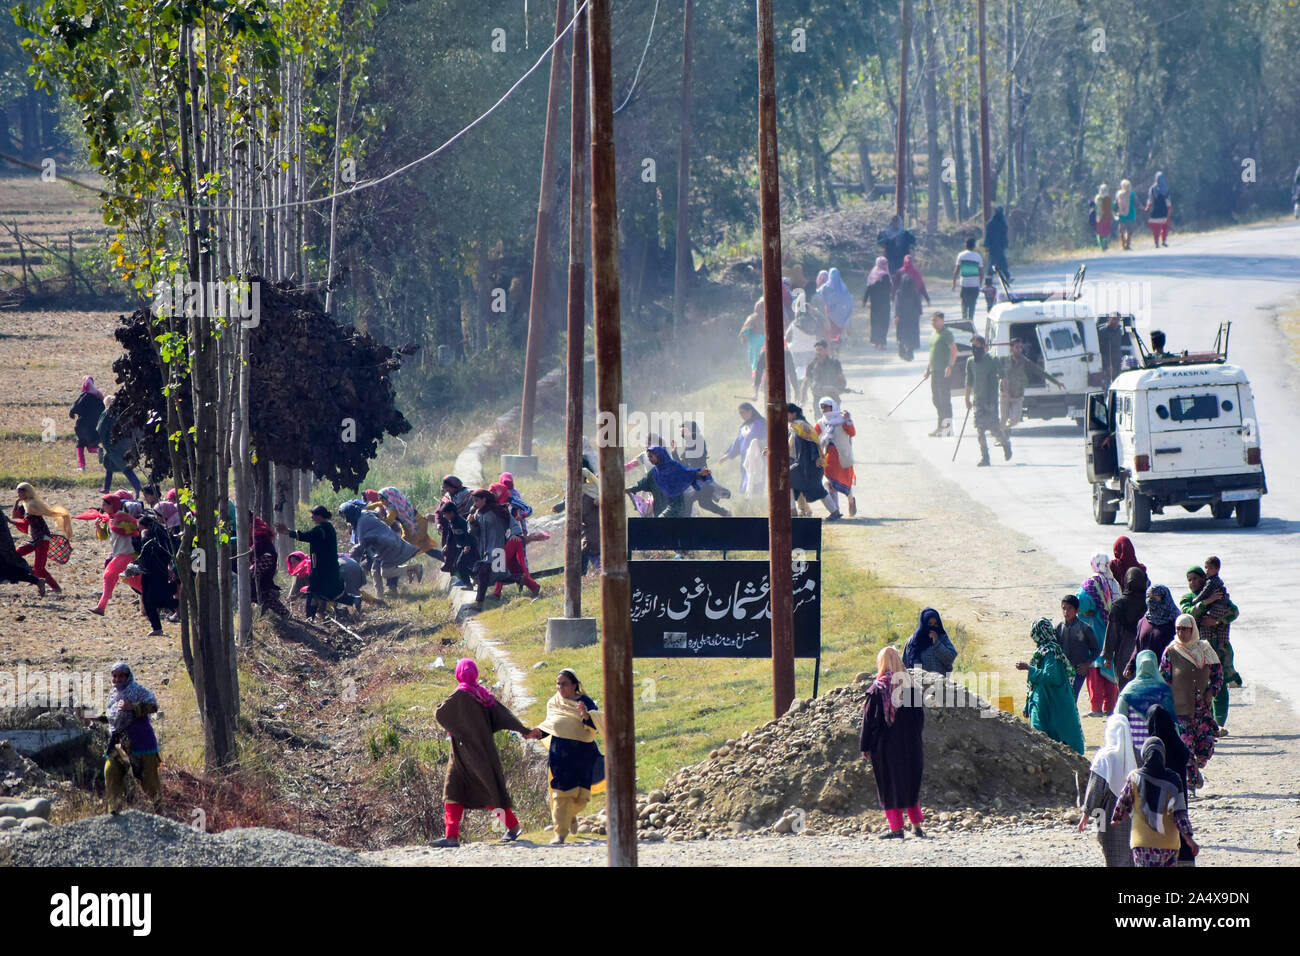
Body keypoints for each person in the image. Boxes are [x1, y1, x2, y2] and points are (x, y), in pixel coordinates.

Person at [433, 658, 538, 847]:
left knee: (468, 791)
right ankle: (451, 837)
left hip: (466, 752)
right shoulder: (483, 695)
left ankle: (513, 827)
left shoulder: (460, 695)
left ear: (458, 674)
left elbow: (440, 714)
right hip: (478, 753)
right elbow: (504, 716)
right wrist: (524, 730)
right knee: (456, 791)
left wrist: (458, 730)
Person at [859, 645, 925, 839]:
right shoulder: (912, 687)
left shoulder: (878, 689)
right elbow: (920, 719)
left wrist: (865, 745)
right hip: (911, 746)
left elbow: (869, 721)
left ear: (882, 663)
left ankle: (896, 828)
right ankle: (917, 826)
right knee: (910, 784)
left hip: (886, 747)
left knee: (889, 786)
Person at [535, 668, 605, 844]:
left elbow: (596, 723)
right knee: (560, 794)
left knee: (581, 797)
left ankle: (571, 815)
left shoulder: (585, 701)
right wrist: (535, 733)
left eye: (564, 684)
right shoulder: (554, 702)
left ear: (575, 685)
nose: (560, 687)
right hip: (560, 754)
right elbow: (550, 725)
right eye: (558, 684)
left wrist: (585, 715)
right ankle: (560, 834)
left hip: (583, 755)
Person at [1110, 737, 1198, 867]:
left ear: (1144, 755)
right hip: (1169, 845)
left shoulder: (1135, 777)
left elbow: (1123, 801)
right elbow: (1180, 814)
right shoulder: (1174, 779)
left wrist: (1117, 818)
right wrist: (1189, 839)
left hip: (1143, 844)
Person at [1160, 614, 1222, 792]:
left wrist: (1212, 691)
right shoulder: (1171, 651)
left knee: (1206, 747)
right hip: (1180, 710)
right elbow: (1164, 678)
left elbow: (1218, 674)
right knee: (1185, 746)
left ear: (1193, 629)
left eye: (1185, 629)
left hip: (1202, 709)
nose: (1181, 632)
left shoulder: (1205, 649)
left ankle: (1195, 769)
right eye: (1178, 629)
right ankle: (1192, 779)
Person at [1181, 560, 1239, 731]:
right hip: (1198, 651)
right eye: (1189, 580)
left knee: (1219, 686)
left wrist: (1217, 620)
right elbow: (1187, 613)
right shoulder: (1188, 599)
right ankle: (1207, 723)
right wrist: (1206, 603)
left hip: (1219, 648)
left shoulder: (1216, 592)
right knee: (1201, 688)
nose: (1192, 583)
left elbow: (1234, 611)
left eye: (1195, 579)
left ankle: (1219, 723)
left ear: (1203, 580)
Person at [277, 505, 362, 620]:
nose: (312, 518)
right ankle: (353, 600)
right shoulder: (328, 527)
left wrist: (288, 532)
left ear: (319, 516)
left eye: (313, 515)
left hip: (322, 567)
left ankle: (310, 617)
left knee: (317, 591)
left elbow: (306, 536)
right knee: (327, 592)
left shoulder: (321, 529)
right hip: (327, 566)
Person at [1017, 618, 1086, 754]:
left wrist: (1028, 668)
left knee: (1048, 740)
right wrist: (1027, 705)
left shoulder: (1049, 652)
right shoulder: (1047, 650)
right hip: (1046, 700)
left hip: (1051, 702)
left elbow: (1051, 676)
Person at [103, 661, 162, 813]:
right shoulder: (113, 696)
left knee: (149, 782)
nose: (117, 680)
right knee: (111, 771)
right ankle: (114, 812)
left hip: (142, 743)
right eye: (114, 676)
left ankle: (159, 813)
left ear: (128, 677)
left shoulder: (138, 691)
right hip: (119, 743)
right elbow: (114, 718)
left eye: (120, 676)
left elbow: (153, 706)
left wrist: (134, 707)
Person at [1079, 714, 1137, 866]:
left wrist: (1087, 812)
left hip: (1108, 813)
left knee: (1113, 852)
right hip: (1134, 813)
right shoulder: (1135, 754)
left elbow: (1096, 787)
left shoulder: (1104, 756)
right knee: (1132, 852)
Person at [341, 499, 420, 596]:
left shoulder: (362, 521)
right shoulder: (364, 515)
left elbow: (361, 544)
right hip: (384, 545)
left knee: (386, 572)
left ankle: (414, 568)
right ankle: (380, 597)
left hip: (388, 545)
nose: (345, 520)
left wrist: (351, 555)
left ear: (350, 513)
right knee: (375, 570)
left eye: (344, 516)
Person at [1078, 553, 1120, 716]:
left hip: (1095, 631)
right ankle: (1110, 706)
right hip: (1111, 631)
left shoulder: (1091, 582)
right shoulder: (1113, 582)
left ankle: (1096, 708)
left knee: (1095, 668)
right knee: (1109, 667)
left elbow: (1081, 602)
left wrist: (1084, 610)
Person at [12, 482, 70, 595]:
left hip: (42, 539)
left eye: (21, 491)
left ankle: (56, 588)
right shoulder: (26, 504)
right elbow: (17, 516)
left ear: (27, 492)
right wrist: (16, 502)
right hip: (34, 539)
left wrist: (10, 522)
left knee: (40, 568)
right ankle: (33, 575)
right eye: (18, 491)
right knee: (16, 554)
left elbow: (24, 523)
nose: (18, 493)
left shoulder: (32, 505)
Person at [1115, 650, 1177, 754]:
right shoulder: (1164, 690)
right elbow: (1172, 720)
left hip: (1133, 747)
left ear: (1138, 665)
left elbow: (1119, 718)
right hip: (1158, 747)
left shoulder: (1129, 690)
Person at [627, 446, 712, 519]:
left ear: (659, 455)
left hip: (675, 506)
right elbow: (642, 483)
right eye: (648, 457)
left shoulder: (674, 467)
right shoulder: (653, 473)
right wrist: (628, 489)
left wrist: (699, 473)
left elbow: (687, 473)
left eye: (651, 456)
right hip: (660, 507)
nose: (650, 459)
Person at [964, 334, 1010, 466]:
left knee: (994, 429)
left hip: (991, 401)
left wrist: (1005, 393)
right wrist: (967, 399)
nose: (974, 349)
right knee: (980, 429)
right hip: (978, 401)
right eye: (973, 346)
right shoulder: (970, 362)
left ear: (984, 347)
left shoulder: (993, 360)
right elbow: (968, 382)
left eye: (977, 346)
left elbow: (1003, 377)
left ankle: (1005, 444)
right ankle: (985, 457)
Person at [999, 337, 1065, 431]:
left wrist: (1056, 382)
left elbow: (1039, 371)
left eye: (1020, 348)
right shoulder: (1003, 360)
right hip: (1005, 394)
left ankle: (1004, 429)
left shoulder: (1024, 361)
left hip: (1017, 395)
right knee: (1003, 418)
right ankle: (1001, 437)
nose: (1019, 350)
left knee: (1015, 420)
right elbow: (997, 373)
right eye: (1017, 347)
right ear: (1011, 348)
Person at [91, 493, 140, 617]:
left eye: (104, 504)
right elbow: (104, 537)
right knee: (133, 581)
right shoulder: (109, 519)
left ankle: (101, 607)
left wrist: (121, 525)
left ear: (112, 505)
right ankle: (157, 598)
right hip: (119, 553)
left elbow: (135, 529)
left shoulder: (123, 517)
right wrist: (98, 527)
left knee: (109, 575)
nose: (101, 507)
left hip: (128, 553)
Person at [1104, 566, 1150, 691]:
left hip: (1122, 654)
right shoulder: (1148, 605)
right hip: (1143, 654)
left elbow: (1112, 632)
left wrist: (1108, 655)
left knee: (1125, 691)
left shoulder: (1118, 605)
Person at [786, 403, 834, 518]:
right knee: (800, 486)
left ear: (794, 414)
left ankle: (794, 512)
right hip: (804, 464)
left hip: (808, 464)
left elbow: (810, 445)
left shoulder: (800, 426)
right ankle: (798, 512)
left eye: (786, 413)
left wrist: (811, 462)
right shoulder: (795, 426)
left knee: (787, 479)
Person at [675, 422, 730, 517]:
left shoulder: (698, 440)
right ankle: (725, 513)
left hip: (702, 479)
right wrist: (674, 453)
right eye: (682, 432)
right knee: (704, 503)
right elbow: (683, 466)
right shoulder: (688, 446)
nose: (683, 434)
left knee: (688, 499)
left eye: (685, 430)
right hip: (694, 479)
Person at [815, 397, 856, 518]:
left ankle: (851, 501)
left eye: (826, 406)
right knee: (829, 484)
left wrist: (848, 420)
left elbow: (852, 433)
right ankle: (836, 511)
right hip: (829, 457)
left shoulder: (842, 419)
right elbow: (813, 434)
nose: (824, 409)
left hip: (843, 456)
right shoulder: (821, 422)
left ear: (832, 406)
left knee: (846, 484)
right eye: (822, 407)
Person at [94, 396, 142, 495]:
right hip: (126, 443)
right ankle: (106, 488)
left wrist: (101, 442)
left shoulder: (107, 414)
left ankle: (138, 487)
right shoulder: (125, 412)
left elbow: (100, 429)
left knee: (125, 467)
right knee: (109, 464)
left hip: (114, 445)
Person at [1128, 585, 1179, 678]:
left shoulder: (1175, 621)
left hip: (1166, 676)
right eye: (1148, 597)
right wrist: (1130, 666)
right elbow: (1138, 647)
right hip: (1144, 673)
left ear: (1164, 598)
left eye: (1154, 596)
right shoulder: (1143, 621)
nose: (1150, 600)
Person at [1056, 594, 1098, 705]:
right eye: (1064, 608)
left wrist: (1087, 664)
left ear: (1077, 610)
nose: (1066, 612)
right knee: (1062, 699)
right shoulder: (1059, 628)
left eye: (1070, 608)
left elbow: (1096, 650)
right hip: (1063, 670)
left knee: (1072, 699)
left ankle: (1071, 721)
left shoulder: (1085, 628)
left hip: (1079, 670)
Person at [718, 402, 767, 496]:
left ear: (750, 411)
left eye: (743, 412)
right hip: (745, 460)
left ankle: (759, 502)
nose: (741, 415)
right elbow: (737, 444)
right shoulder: (743, 427)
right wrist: (726, 456)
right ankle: (748, 504)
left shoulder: (760, 423)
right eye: (740, 413)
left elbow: (766, 439)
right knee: (746, 481)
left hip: (759, 458)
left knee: (757, 480)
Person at [922, 312, 957, 437]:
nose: (933, 323)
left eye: (935, 320)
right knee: (936, 399)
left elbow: (954, 350)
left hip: (944, 372)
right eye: (931, 320)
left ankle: (948, 429)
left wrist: (950, 366)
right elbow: (932, 353)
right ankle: (940, 427)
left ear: (942, 320)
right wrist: (927, 369)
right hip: (934, 371)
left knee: (944, 400)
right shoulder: (934, 334)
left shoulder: (946, 334)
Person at [892, 256, 929, 362]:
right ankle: (910, 352)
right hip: (912, 317)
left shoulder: (899, 293)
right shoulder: (914, 291)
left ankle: (901, 348)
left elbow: (897, 305)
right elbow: (918, 302)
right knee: (912, 334)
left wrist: (896, 316)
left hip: (902, 317)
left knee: (901, 333)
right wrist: (920, 312)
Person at [250, 516, 289, 617]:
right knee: (262, 590)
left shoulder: (258, 530)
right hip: (264, 559)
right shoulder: (255, 529)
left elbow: (258, 548)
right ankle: (284, 612)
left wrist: (249, 551)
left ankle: (283, 612)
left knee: (252, 582)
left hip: (265, 559)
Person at [902, 607, 957, 675]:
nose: (933, 627)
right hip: (917, 681)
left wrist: (937, 644)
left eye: (935, 624)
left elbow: (950, 658)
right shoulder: (913, 641)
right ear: (923, 624)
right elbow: (905, 663)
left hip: (939, 682)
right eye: (930, 624)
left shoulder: (942, 638)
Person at [0, 509, 44, 593]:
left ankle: (36, 580)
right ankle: (36, 581)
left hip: (2, 546)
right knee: (6, 569)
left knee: (7, 568)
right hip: (3, 545)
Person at [68, 376, 104, 472]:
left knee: (80, 444)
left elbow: (74, 407)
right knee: (90, 445)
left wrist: (72, 414)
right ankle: (97, 450)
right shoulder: (98, 397)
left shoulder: (84, 396)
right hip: (95, 428)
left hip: (82, 427)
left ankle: (81, 466)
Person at [785, 307, 824, 391]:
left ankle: (799, 390)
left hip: (796, 350)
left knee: (797, 371)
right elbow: (820, 334)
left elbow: (787, 337)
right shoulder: (815, 322)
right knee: (810, 371)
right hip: (811, 350)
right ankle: (809, 388)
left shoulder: (794, 323)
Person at [819, 267, 855, 352]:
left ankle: (832, 349)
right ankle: (835, 349)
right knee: (837, 332)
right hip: (840, 314)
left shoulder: (825, 287)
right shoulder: (843, 287)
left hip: (829, 314)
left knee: (831, 332)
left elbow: (819, 297)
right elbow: (849, 300)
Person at [863, 256, 893, 350]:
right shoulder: (885, 275)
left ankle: (876, 341)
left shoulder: (872, 274)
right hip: (884, 303)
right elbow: (889, 289)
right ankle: (881, 343)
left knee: (875, 322)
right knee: (883, 322)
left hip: (874, 304)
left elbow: (868, 289)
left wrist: (864, 300)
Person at [952, 237, 983, 323]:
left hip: (964, 284)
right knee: (972, 303)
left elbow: (956, 271)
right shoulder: (978, 256)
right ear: (974, 246)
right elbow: (981, 273)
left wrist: (954, 284)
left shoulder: (961, 255)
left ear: (965, 245)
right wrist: (980, 284)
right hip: (974, 284)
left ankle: (964, 319)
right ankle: (970, 320)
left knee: (964, 302)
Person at [739, 302, 766, 398]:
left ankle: (761, 385)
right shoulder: (754, 318)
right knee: (758, 365)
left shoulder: (765, 316)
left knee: (761, 365)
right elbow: (745, 330)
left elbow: (745, 330)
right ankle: (759, 385)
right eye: (761, 307)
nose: (763, 309)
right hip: (758, 344)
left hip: (761, 343)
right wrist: (744, 336)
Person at [983, 205, 1011, 281]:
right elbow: (988, 235)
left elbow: (1004, 235)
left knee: (1000, 261)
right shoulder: (992, 223)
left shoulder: (1002, 223)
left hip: (999, 245)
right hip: (994, 246)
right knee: (993, 261)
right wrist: (986, 245)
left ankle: (1007, 276)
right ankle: (989, 278)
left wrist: (1005, 243)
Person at [1145, 172, 1172, 247]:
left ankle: (1157, 242)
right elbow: (1168, 200)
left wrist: (1148, 207)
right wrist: (1169, 209)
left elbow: (1150, 199)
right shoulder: (1165, 188)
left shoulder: (1152, 189)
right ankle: (1163, 240)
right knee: (1165, 226)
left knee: (1157, 227)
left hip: (1156, 209)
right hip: (1165, 209)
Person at [1097, 313, 1125, 384]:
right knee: (1107, 385)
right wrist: (1107, 365)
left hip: (1117, 363)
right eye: (1114, 319)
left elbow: (1118, 347)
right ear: (1109, 319)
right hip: (1106, 365)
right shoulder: (1102, 331)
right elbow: (1101, 350)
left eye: (1118, 319)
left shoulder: (1119, 331)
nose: (1116, 321)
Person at [1113, 179, 1138, 250]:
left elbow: (1115, 203)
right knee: (1130, 231)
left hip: (1122, 215)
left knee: (1121, 231)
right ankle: (1128, 244)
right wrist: (1143, 208)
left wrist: (1114, 211)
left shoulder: (1119, 194)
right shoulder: (1132, 193)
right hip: (1131, 214)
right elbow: (1137, 202)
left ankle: (1123, 244)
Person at [1093, 183, 1114, 251]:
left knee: (1099, 232)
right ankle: (1105, 243)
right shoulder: (1108, 198)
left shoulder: (1097, 198)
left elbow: (1094, 207)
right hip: (1107, 217)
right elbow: (1112, 207)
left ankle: (1101, 246)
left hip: (1099, 217)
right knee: (1106, 231)